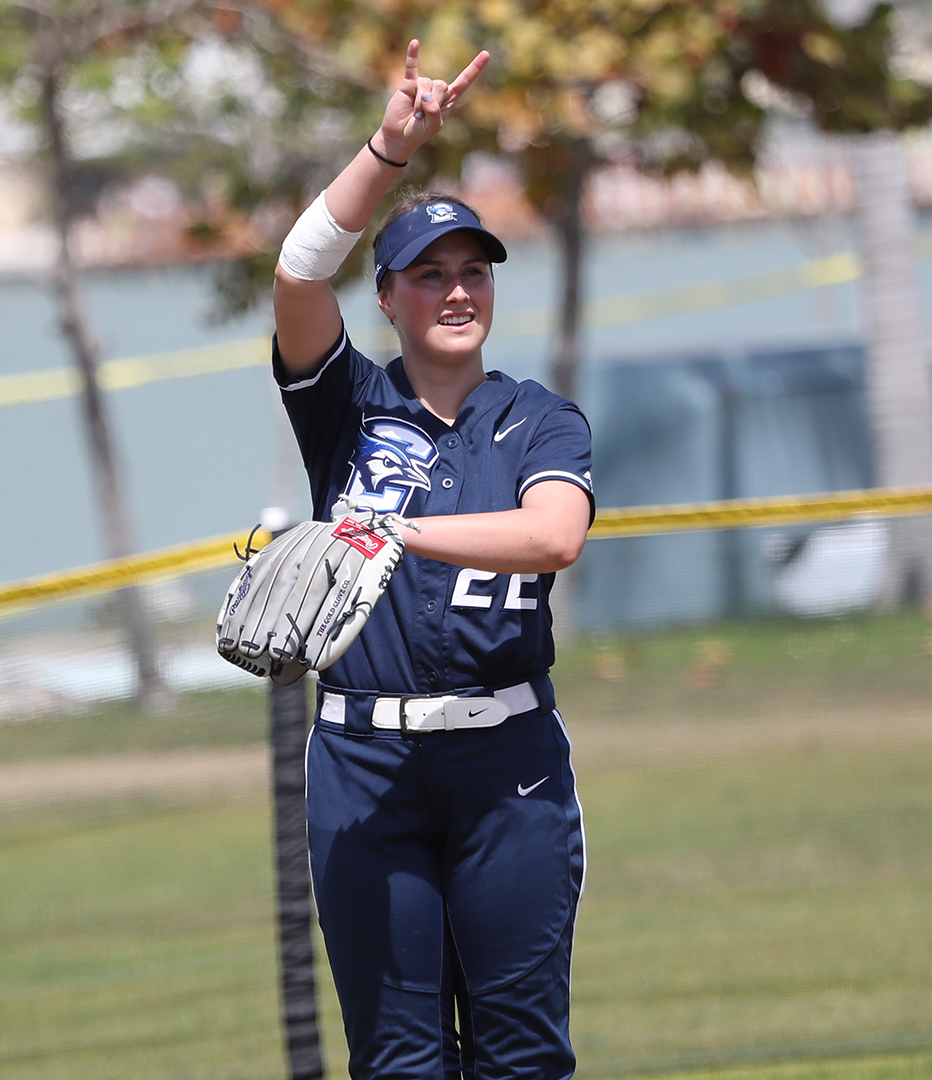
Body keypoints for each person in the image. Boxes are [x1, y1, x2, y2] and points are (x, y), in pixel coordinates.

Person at [270, 39, 596, 1080]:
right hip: (364, 767)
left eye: (473, 272)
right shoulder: (347, 408)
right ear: (389, 298)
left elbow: (553, 537)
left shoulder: (538, 419)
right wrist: (390, 148)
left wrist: (389, 530)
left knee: (521, 1058)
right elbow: (296, 270)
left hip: (508, 763)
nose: (457, 292)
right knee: (400, 1063)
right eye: (428, 276)